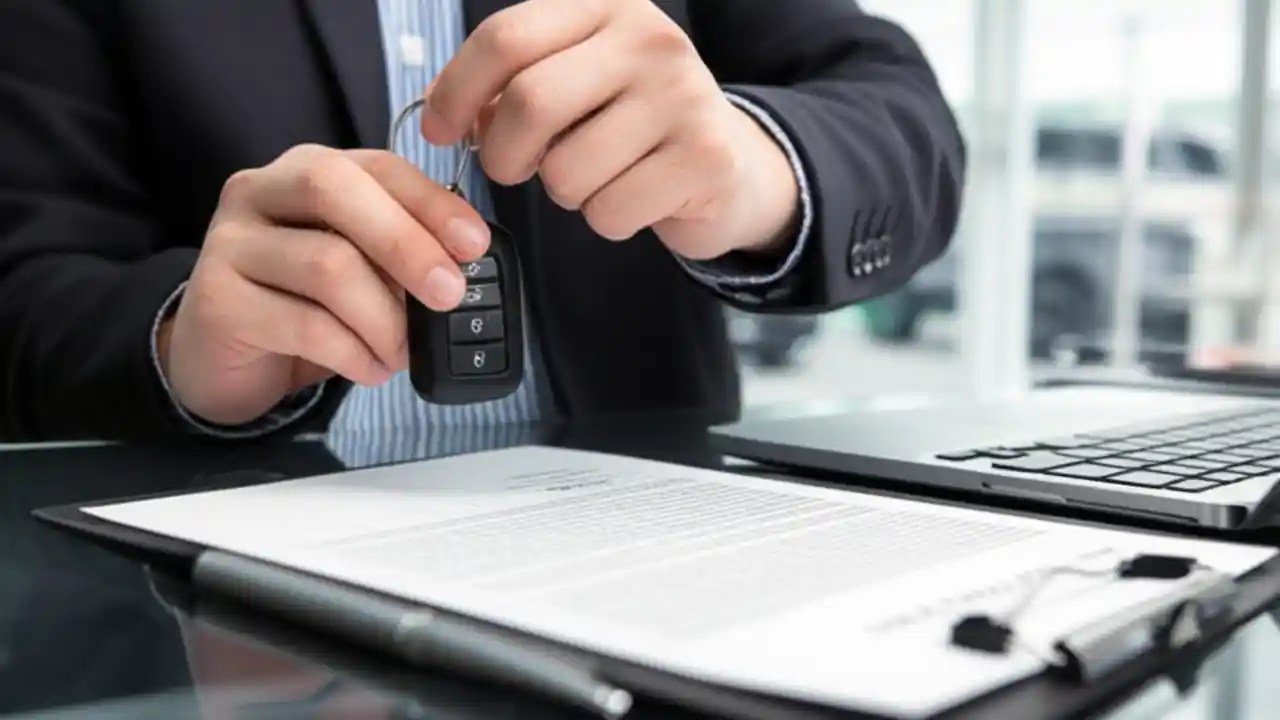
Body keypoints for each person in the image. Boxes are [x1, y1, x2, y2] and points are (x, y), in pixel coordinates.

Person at [0, 0, 965, 442]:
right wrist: (179, 341)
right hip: (233, 612)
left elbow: (904, 120)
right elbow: (30, 285)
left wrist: (752, 164)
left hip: (643, 550)